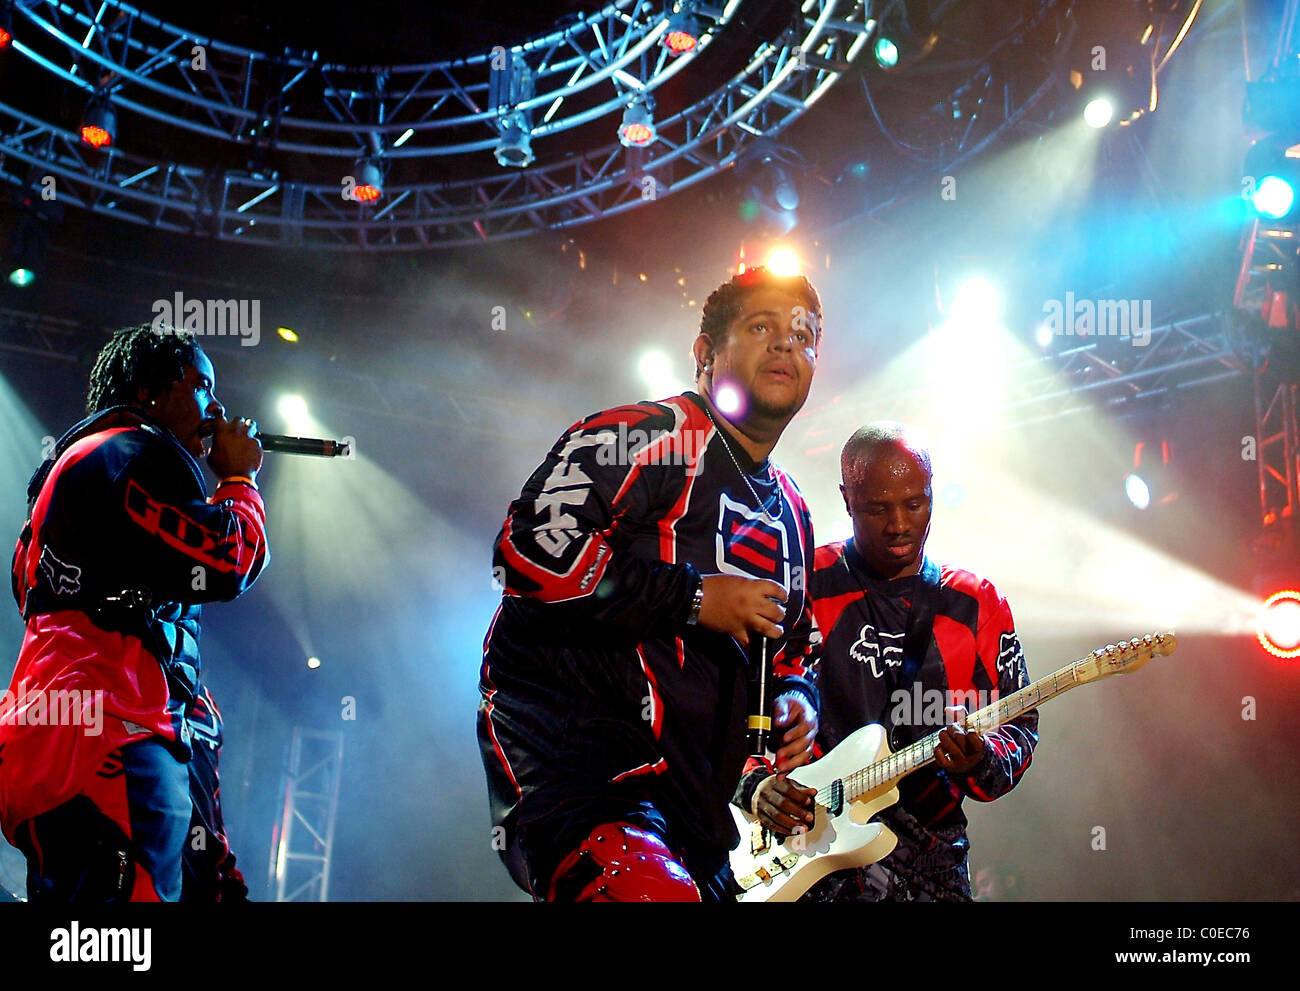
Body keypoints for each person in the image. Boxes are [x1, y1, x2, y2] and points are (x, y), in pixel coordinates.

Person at [477, 266, 825, 902]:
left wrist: (796, 700)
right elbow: (530, 550)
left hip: (699, 822)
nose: (785, 343)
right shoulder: (642, 435)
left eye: (803, 336)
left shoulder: (794, 512)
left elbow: (794, 647)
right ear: (705, 353)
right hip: (582, 777)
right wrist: (694, 597)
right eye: (761, 327)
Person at [0, 324, 268, 901]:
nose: (217, 409)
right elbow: (230, 559)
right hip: (108, 737)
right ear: (148, 391)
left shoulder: (67, 475)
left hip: (54, 741)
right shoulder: (131, 453)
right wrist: (239, 480)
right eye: (201, 386)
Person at [755, 422, 1038, 901]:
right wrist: (756, 785)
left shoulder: (975, 603)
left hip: (932, 867)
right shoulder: (803, 583)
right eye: (877, 508)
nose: (899, 525)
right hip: (807, 863)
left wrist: (982, 759)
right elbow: (739, 699)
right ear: (847, 499)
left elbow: (1020, 725)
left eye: (915, 504)